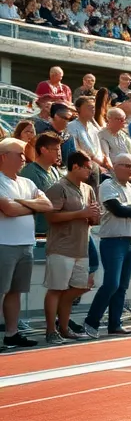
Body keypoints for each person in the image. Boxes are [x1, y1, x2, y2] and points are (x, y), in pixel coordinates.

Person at [84, 153, 131, 338]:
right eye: (128, 166)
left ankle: (115, 323)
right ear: (116, 166)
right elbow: (116, 209)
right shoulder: (108, 185)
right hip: (113, 241)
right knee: (111, 284)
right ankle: (92, 321)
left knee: (122, 286)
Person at [43, 152, 100, 344]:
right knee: (56, 289)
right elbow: (51, 217)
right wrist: (80, 213)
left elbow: (93, 218)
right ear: (75, 167)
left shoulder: (87, 189)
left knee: (79, 287)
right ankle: (51, 331)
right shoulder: (59, 188)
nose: (89, 172)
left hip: (81, 247)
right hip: (61, 247)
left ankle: (64, 328)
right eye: (87, 168)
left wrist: (93, 216)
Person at [0, 137, 52, 350]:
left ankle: (12, 333)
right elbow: (8, 210)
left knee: (15, 291)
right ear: (3, 157)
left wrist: (20, 203)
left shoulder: (27, 183)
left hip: (25, 244)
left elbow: (47, 205)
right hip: (3, 244)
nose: (24, 158)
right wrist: (32, 206)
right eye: (19, 154)